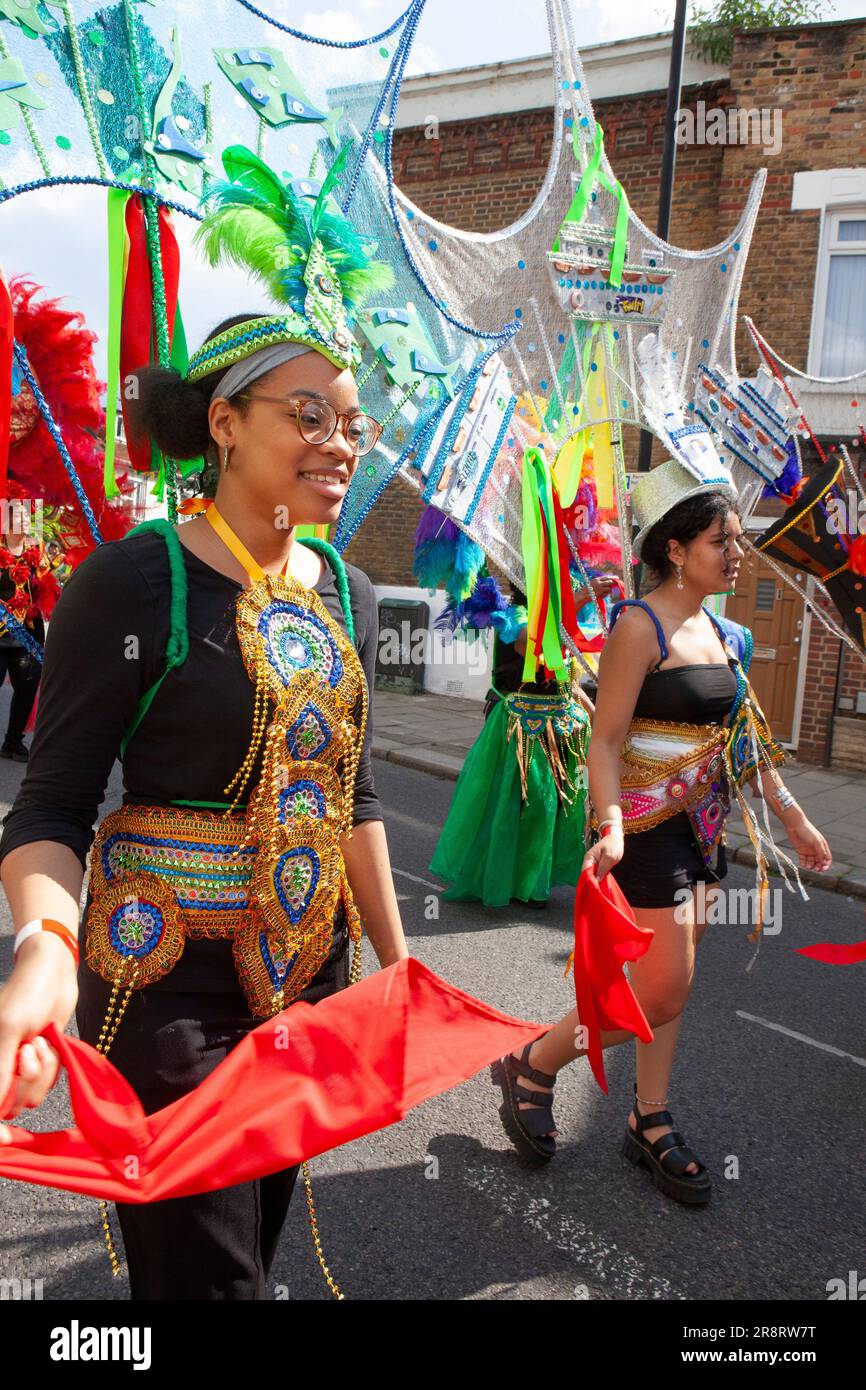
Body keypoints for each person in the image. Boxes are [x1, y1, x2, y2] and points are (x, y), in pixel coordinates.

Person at [0, 147, 408, 1298]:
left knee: (257, 1251)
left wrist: (395, 966)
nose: (339, 440)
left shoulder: (350, 594)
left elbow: (355, 795)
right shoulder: (133, 586)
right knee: (206, 1281)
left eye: (355, 423)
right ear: (224, 425)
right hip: (161, 986)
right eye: (310, 413)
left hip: (304, 980)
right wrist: (43, 949)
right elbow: (51, 803)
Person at [491, 459, 831, 1203]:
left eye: (738, 540)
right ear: (675, 548)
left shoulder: (727, 635)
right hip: (646, 833)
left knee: (665, 989)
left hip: (706, 833)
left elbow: (748, 739)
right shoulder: (638, 627)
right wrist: (608, 825)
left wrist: (794, 818)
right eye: (721, 540)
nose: (736, 554)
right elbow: (605, 740)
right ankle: (537, 1061)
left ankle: (649, 1117)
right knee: (663, 988)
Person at [430, 577, 614, 908]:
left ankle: (531, 882)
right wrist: (580, 598)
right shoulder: (513, 615)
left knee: (553, 809)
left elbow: (566, 684)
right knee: (521, 805)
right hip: (520, 729)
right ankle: (509, 879)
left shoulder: (561, 623)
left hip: (560, 732)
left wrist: (598, 715)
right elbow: (531, 643)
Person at [0, 497, 46, 761]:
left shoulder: (35, 550)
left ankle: (13, 741)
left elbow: (45, 589)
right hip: (0, 633)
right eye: (17, 515)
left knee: (27, 686)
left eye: (26, 516)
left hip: (27, 636)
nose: (23, 520)